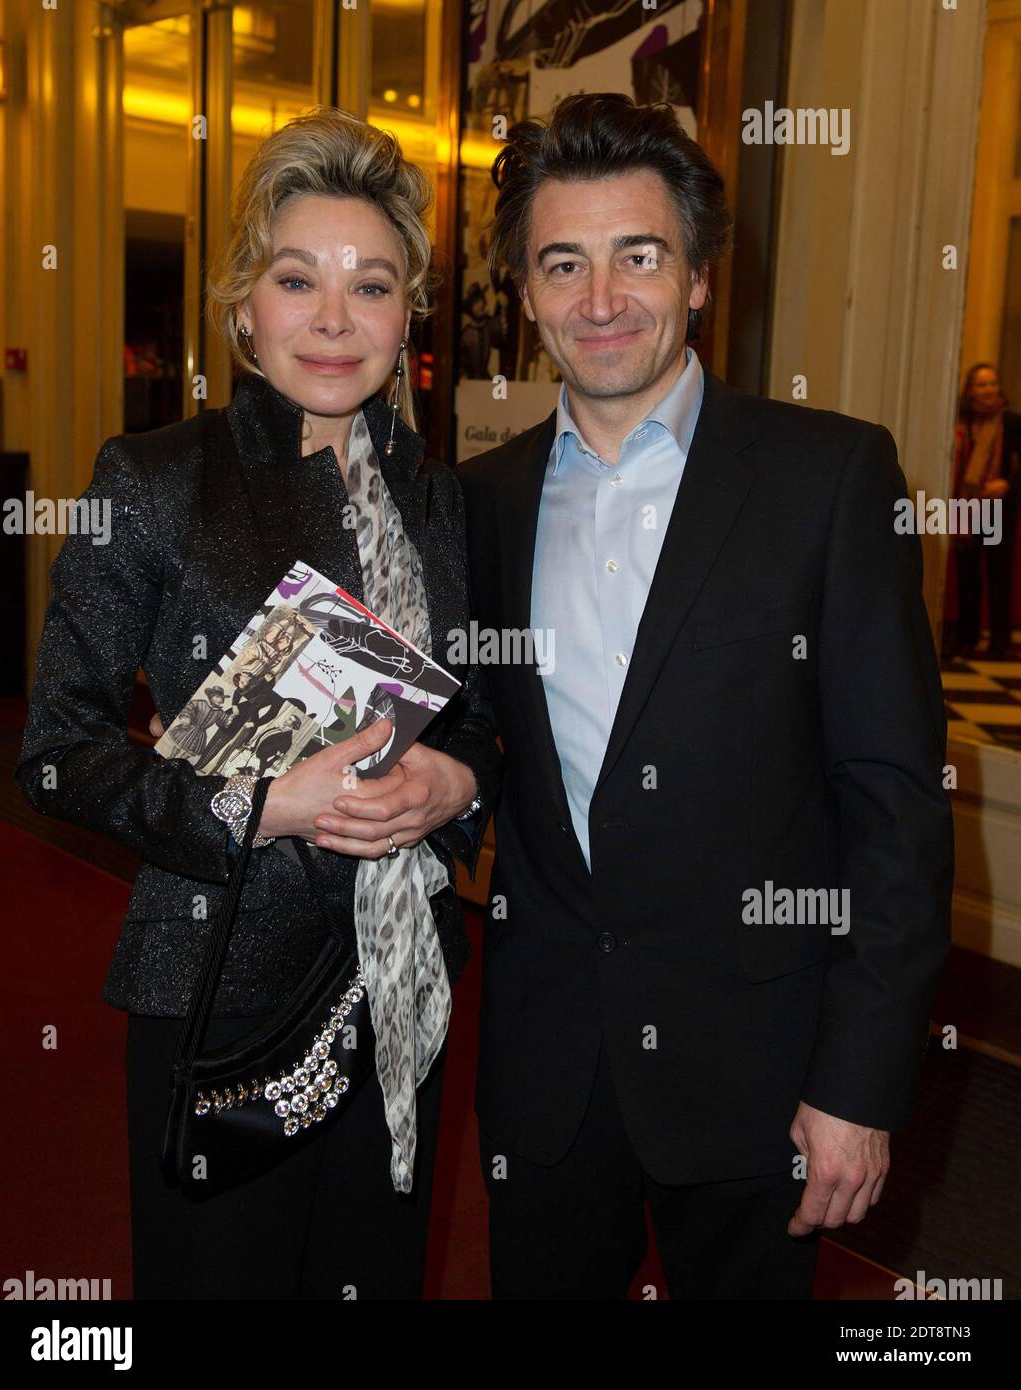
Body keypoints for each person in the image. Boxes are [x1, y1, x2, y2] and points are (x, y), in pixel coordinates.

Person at [452, 92, 953, 1299]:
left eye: (638, 255)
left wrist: (856, 1083)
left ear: (696, 278)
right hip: (547, 1067)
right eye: (561, 263)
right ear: (523, 293)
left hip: (760, 1074)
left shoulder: (829, 476)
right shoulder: (474, 502)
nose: (600, 299)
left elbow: (893, 804)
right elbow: (467, 736)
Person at [15, 106, 500, 1300]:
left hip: (399, 984)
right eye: (298, 279)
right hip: (219, 988)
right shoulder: (156, 481)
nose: (334, 318)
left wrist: (459, 778)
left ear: (407, 317)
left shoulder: (435, 499)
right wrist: (259, 805)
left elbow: (480, 708)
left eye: (371, 285)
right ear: (243, 307)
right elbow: (55, 752)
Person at [948, 362, 1021, 660]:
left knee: (999, 574)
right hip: (966, 507)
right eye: (981, 384)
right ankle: (967, 637)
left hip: (999, 508)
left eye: (992, 383)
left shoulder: (1012, 422)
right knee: (967, 574)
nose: (988, 389)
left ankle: (1000, 642)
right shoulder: (960, 422)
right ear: (970, 390)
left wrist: (1007, 484)